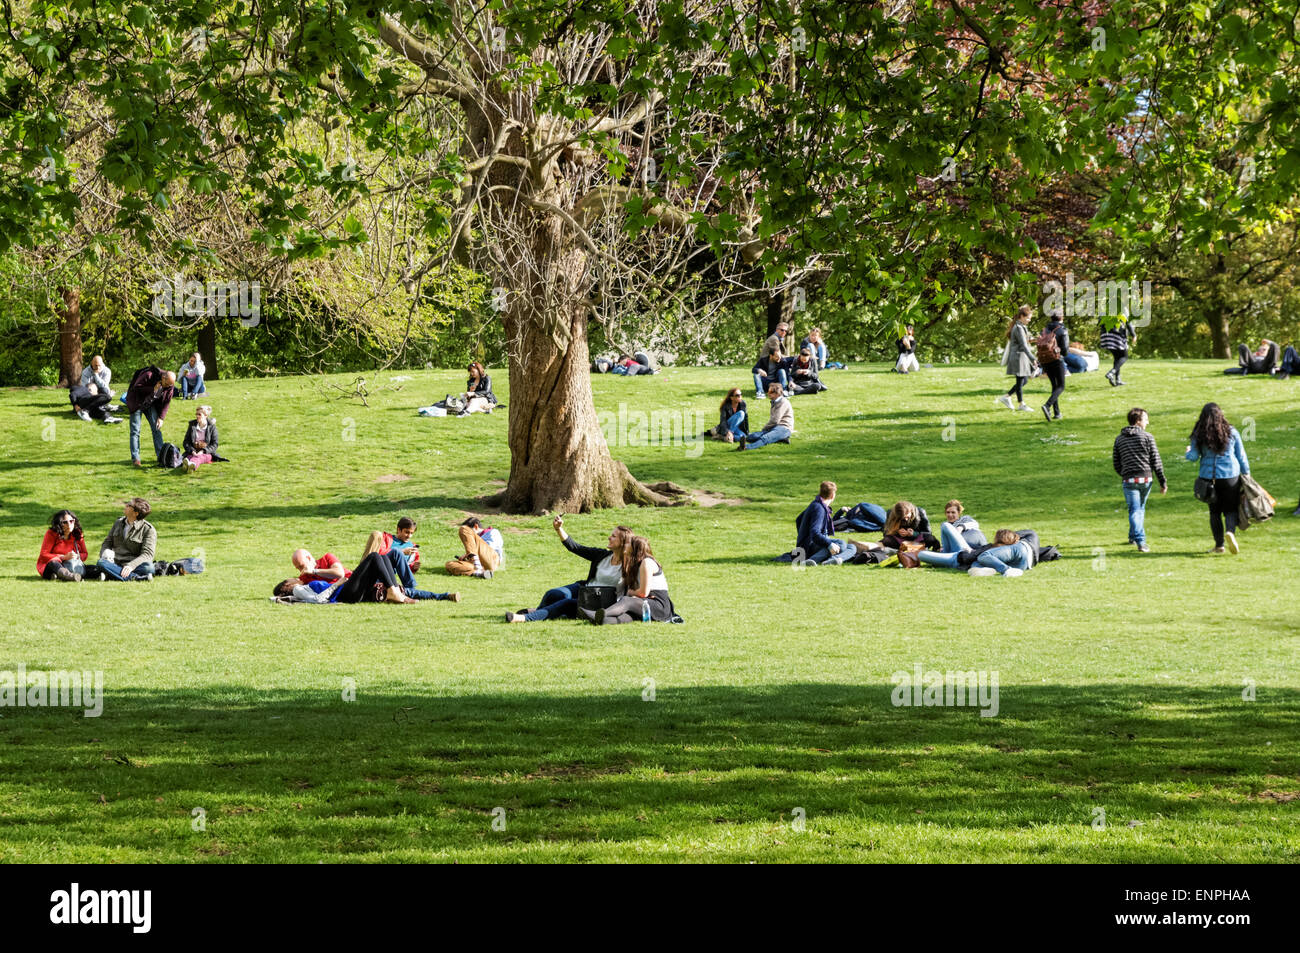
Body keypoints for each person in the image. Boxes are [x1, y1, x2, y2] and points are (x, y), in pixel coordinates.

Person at [506, 519, 632, 622]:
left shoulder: (630, 565)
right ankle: (541, 611)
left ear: (623, 542)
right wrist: (558, 529)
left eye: (614, 536)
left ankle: (523, 618)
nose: (609, 537)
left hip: (599, 601)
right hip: (585, 589)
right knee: (554, 594)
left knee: (565, 604)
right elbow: (575, 547)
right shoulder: (602, 555)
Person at [1185, 402, 1251, 554]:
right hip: (1230, 475)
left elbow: (1193, 457)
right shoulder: (1231, 431)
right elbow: (1241, 456)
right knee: (1230, 510)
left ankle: (1219, 545)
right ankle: (1230, 532)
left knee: (1214, 512)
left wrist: (1188, 451)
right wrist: (1246, 474)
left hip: (1208, 477)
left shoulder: (1198, 434)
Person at [579, 534, 675, 624]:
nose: (625, 545)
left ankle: (596, 614)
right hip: (644, 601)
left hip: (658, 604)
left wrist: (630, 592)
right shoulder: (634, 564)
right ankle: (601, 620)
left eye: (628, 543)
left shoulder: (647, 563)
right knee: (626, 616)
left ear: (635, 548)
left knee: (626, 601)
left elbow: (644, 593)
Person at [1113, 407, 1167, 553]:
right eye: (1145, 419)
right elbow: (1156, 461)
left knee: (1135, 509)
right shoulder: (1147, 437)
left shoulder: (1119, 439)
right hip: (1146, 478)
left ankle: (1133, 536)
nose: (1147, 422)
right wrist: (1162, 481)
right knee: (1138, 509)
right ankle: (1141, 541)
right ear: (1138, 421)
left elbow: (1116, 463)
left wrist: (1125, 474)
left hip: (1129, 480)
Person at [274, 552, 423, 604]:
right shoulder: (300, 587)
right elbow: (320, 598)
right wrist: (338, 584)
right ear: (286, 586)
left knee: (382, 557)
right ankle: (394, 592)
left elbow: (339, 573)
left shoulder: (326, 558)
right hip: (345, 591)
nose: (298, 572)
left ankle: (394, 591)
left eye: (300, 566)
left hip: (351, 584)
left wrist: (314, 570)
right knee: (374, 557)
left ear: (308, 557)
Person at [124, 365, 177, 467]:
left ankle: (162, 457)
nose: (168, 386)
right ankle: (136, 459)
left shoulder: (170, 385)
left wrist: (161, 418)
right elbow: (136, 388)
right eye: (167, 383)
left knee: (156, 428)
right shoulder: (149, 374)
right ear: (163, 377)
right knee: (135, 431)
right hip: (137, 402)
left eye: (170, 385)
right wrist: (152, 389)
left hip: (150, 404)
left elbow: (167, 402)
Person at [794, 481, 856, 565]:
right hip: (809, 546)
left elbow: (798, 519)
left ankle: (831, 560)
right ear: (832, 495)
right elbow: (815, 532)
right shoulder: (819, 509)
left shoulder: (816, 504)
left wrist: (841, 511)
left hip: (810, 543)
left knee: (852, 547)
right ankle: (811, 560)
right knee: (841, 543)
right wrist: (829, 544)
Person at [96, 497, 156, 581]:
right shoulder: (118, 523)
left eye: (129, 505)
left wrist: (130, 566)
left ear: (136, 513)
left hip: (134, 564)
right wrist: (105, 554)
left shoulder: (148, 529)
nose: (126, 505)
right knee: (101, 563)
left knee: (149, 568)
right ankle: (136, 578)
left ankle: (111, 574)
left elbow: (147, 554)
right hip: (115, 562)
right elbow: (107, 542)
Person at [997, 306, 1036, 412]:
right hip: (1018, 357)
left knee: (1024, 380)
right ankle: (1021, 404)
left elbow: (1025, 340)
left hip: (1021, 357)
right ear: (1022, 316)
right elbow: (1023, 345)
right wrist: (1033, 359)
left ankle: (1007, 397)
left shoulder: (1021, 326)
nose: (1029, 320)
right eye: (1028, 318)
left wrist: (1036, 339)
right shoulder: (1018, 328)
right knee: (1020, 381)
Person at [736, 381, 793, 450]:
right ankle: (729, 438)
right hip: (774, 427)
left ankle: (745, 447)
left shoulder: (783, 402)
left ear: (777, 393)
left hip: (784, 428)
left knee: (765, 438)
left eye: (770, 392)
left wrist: (764, 429)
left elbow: (775, 420)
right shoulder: (775, 402)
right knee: (753, 436)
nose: (768, 394)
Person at [1036, 310, 1069, 421]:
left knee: (1055, 386)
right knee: (1061, 386)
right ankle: (1047, 405)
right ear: (1061, 318)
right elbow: (1064, 350)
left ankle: (1057, 413)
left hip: (1045, 361)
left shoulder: (1044, 330)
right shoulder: (1062, 330)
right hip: (1056, 360)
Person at [38, 510, 88, 581]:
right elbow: (44, 555)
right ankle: (70, 576)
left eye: (71, 521)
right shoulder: (51, 534)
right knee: (53, 564)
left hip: (71, 564)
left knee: (90, 568)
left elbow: (85, 553)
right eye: (65, 522)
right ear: (59, 524)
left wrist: (76, 556)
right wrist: (63, 557)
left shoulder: (77, 533)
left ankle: (103, 574)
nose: (69, 524)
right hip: (53, 565)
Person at [69, 355, 121, 423]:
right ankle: (88, 410)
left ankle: (108, 417)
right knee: (107, 397)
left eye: (99, 365)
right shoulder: (82, 388)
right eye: (95, 365)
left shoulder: (107, 371)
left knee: (98, 409)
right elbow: (72, 394)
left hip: (95, 399)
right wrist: (76, 407)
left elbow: (105, 386)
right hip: (87, 399)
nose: (97, 367)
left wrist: (96, 376)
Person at [967, 529, 1038, 577]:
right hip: (1023, 565)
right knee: (977, 563)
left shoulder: (1017, 544)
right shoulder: (1031, 539)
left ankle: (1006, 570)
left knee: (984, 556)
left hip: (1020, 551)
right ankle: (987, 570)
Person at [181, 405, 228, 472]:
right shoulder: (192, 425)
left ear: (206, 416)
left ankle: (192, 465)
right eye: (196, 414)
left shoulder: (212, 427)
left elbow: (215, 444)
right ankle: (187, 464)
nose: (197, 416)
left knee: (199, 457)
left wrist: (203, 451)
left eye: (199, 414)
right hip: (193, 451)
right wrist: (192, 451)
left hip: (207, 453)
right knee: (190, 456)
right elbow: (186, 442)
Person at [1100, 319, 1137, 386]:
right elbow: (1127, 322)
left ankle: (1118, 380)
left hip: (1105, 335)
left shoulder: (1105, 309)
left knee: (1117, 358)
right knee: (1124, 356)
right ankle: (1111, 373)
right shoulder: (1121, 309)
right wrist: (1134, 335)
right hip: (1116, 334)